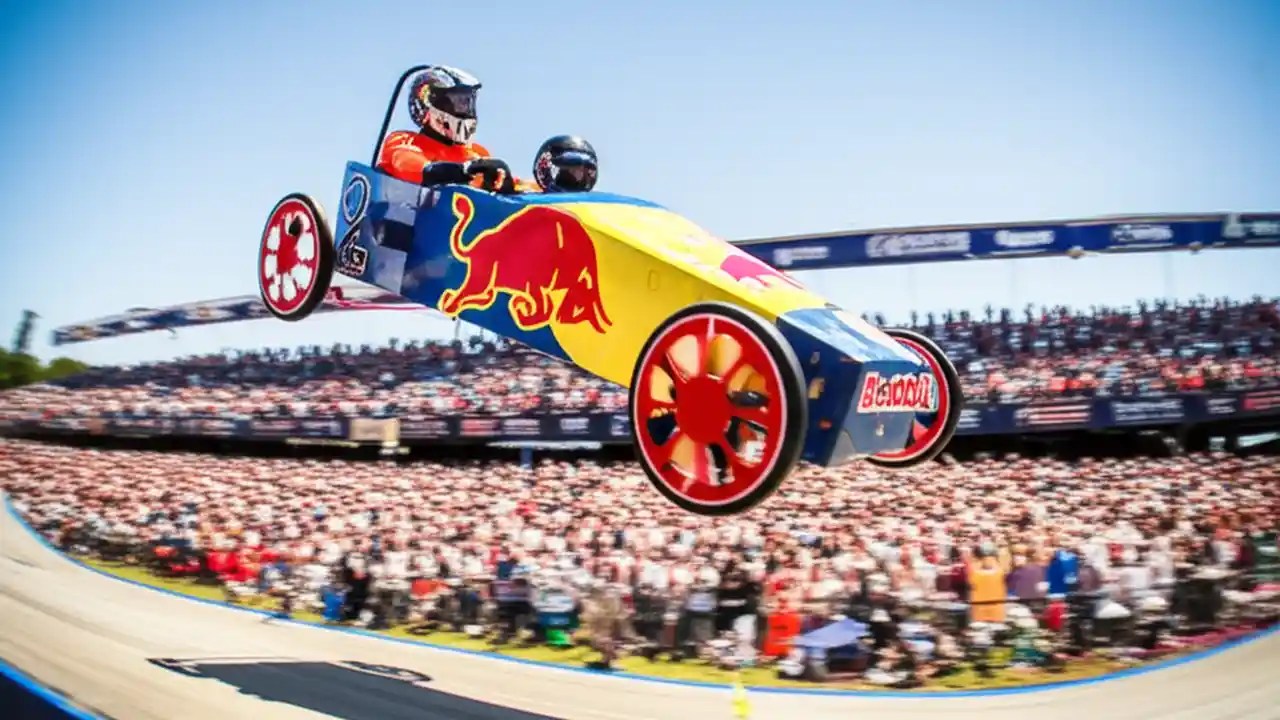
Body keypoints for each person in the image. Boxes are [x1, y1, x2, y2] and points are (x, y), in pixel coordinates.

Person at [376, 66, 598, 194]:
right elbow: (411, 167)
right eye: (459, 102)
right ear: (431, 102)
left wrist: (552, 190)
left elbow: (510, 183)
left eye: (468, 102)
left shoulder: (477, 154)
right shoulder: (404, 141)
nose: (467, 110)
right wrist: (463, 171)